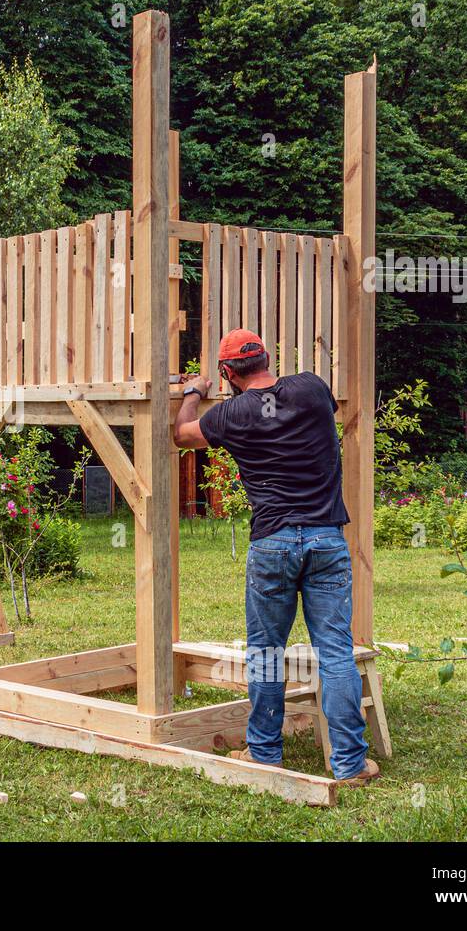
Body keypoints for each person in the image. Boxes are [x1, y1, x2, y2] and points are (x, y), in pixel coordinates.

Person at [172, 328, 379, 784]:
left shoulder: (232, 414)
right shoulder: (311, 388)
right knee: (336, 652)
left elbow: (182, 436)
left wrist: (192, 392)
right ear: (267, 357)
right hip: (327, 539)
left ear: (227, 373)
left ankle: (264, 754)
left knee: (266, 652)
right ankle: (348, 763)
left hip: (273, 543)